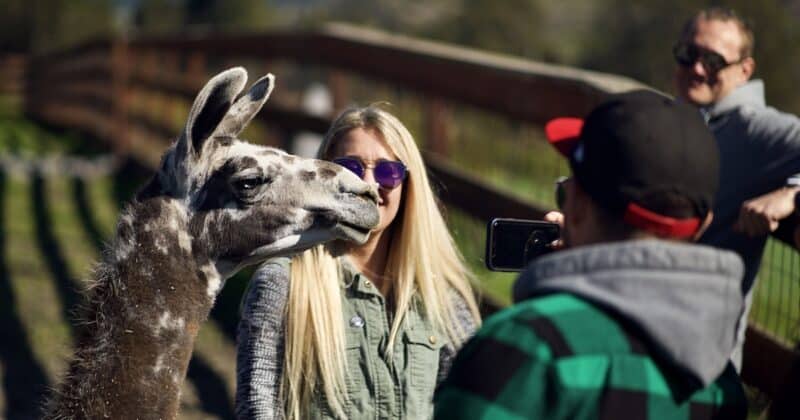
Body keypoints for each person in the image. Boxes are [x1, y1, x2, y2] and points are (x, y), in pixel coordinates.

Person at [434, 91, 747, 419]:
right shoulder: (720, 381)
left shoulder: (523, 348)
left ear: (579, 203)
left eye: (564, 193)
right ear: (702, 227)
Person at [235, 105, 481, 420]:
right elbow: (258, 409)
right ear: (325, 176)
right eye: (350, 168)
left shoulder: (442, 298)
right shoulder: (283, 283)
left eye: (387, 171)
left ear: (408, 184)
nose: (367, 183)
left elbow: (474, 404)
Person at [673, 7, 800, 369]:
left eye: (713, 61)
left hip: (704, 360)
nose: (698, 69)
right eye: (689, 55)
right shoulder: (676, 118)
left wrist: (791, 193)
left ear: (745, 70)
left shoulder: (757, 130)